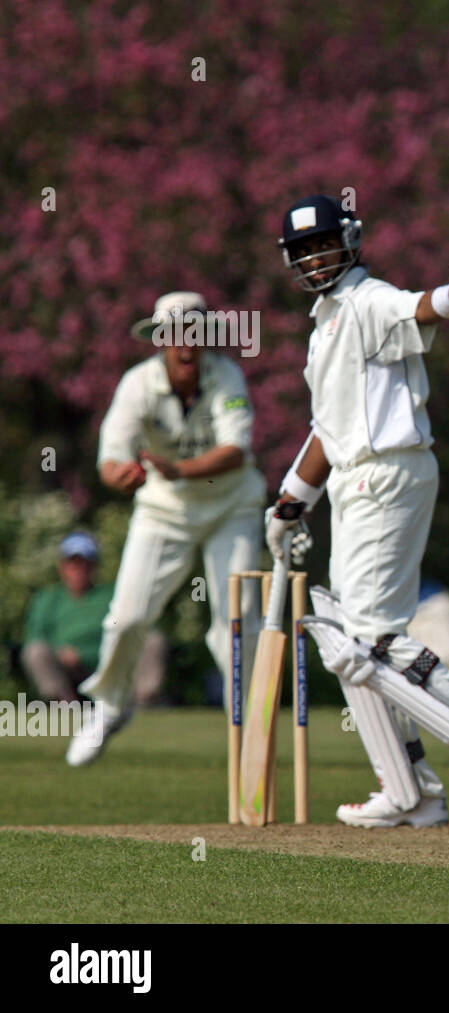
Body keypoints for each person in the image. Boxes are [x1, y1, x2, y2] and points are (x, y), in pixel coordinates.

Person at [268, 194, 449, 828]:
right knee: (345, 643)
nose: (316, 259)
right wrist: (289, 503)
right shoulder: (326, 324)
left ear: (351, 241)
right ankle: (409, 789)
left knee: (367, 641)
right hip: (355, 481)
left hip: (386, 475)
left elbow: (424, 306)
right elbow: (325, 431)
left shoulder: (367, 300)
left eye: (324, 245)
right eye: (303, 251)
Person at [65, 293, 265, 765]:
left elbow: (236, 450)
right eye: (175, 334)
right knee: (128, 617)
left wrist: (180, 469)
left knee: (237, 622)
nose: (185, 344)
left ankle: (249, 720)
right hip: (164, 511)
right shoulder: (138, 384)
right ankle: (110, 706)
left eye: (194, 333)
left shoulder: (226, 376)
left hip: (230, 505)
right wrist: (124, 475)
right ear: (161, 339)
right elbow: (111, 461)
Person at [22, 533, 165, 706]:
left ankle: (143, 703)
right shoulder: (47, 599)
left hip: (113, 664)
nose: (79, 568)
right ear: (63, 566)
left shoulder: (113, 595)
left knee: (153, 640)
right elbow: (35, 637)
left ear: (94, 566)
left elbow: (136, 626)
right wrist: (60, 651)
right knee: (35, 651)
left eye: (85, 563)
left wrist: (94, 654)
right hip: (66, 669)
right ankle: (64, 703)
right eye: (74, 563)